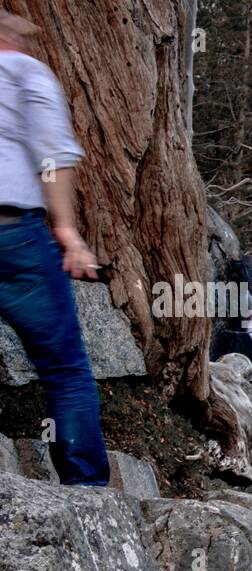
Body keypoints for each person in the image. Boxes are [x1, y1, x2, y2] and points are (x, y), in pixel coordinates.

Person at [0, 10, 109, 485]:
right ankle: (86, 492)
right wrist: (67, 233)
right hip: (15, 236)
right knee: (65, 370)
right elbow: (53, 158)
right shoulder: (26, 73)